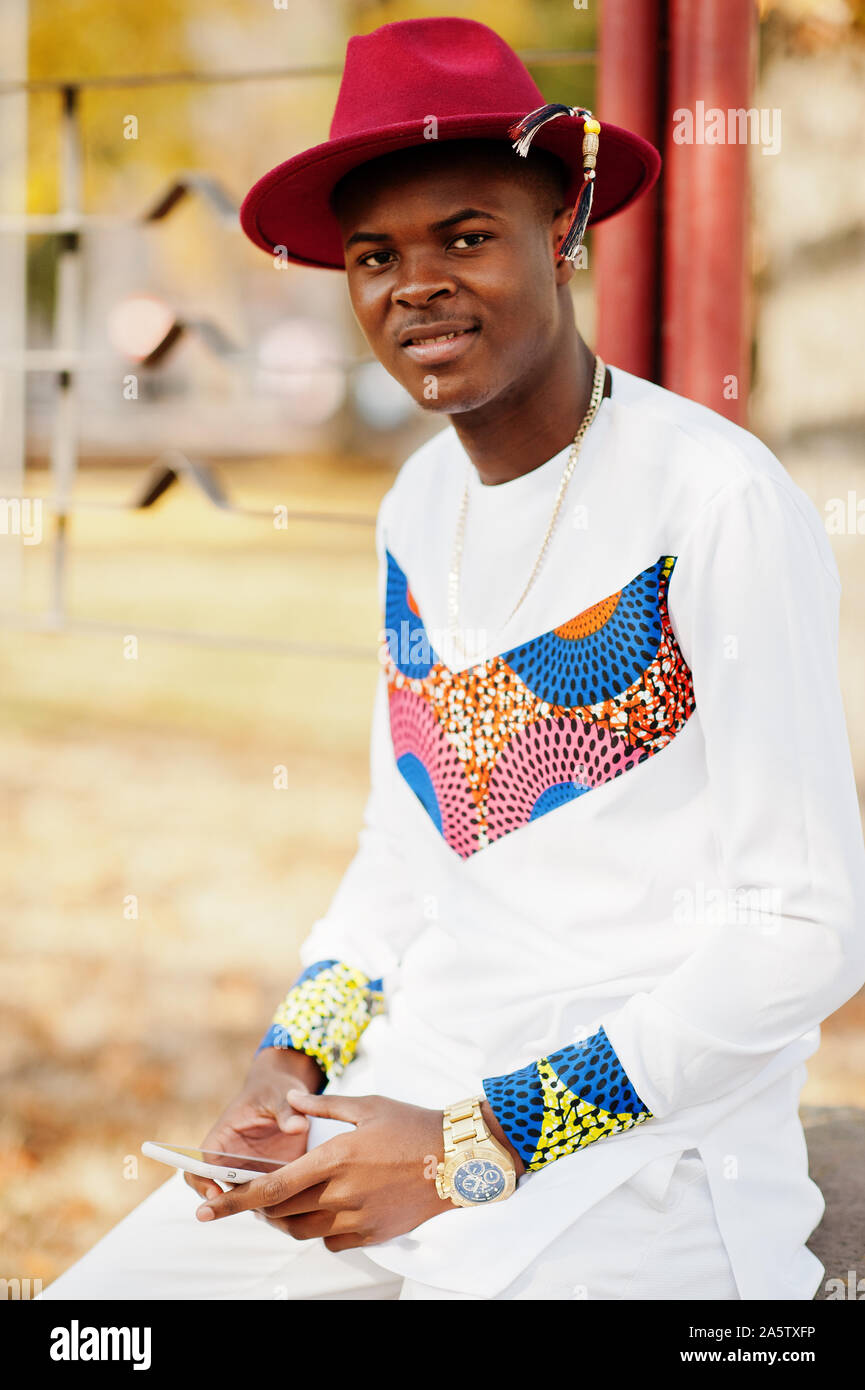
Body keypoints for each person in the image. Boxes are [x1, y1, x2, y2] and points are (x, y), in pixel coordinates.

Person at [41, 15, 865, 1302]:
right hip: (402, 1109)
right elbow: (403, 853)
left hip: (645, 1162)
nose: (412, 284)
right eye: (375, 255)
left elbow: (804, 929)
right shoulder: (419, 504)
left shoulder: (713, 499)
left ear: (563, 235)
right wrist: (292, 1063)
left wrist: (476, 1142)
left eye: (465, 237)